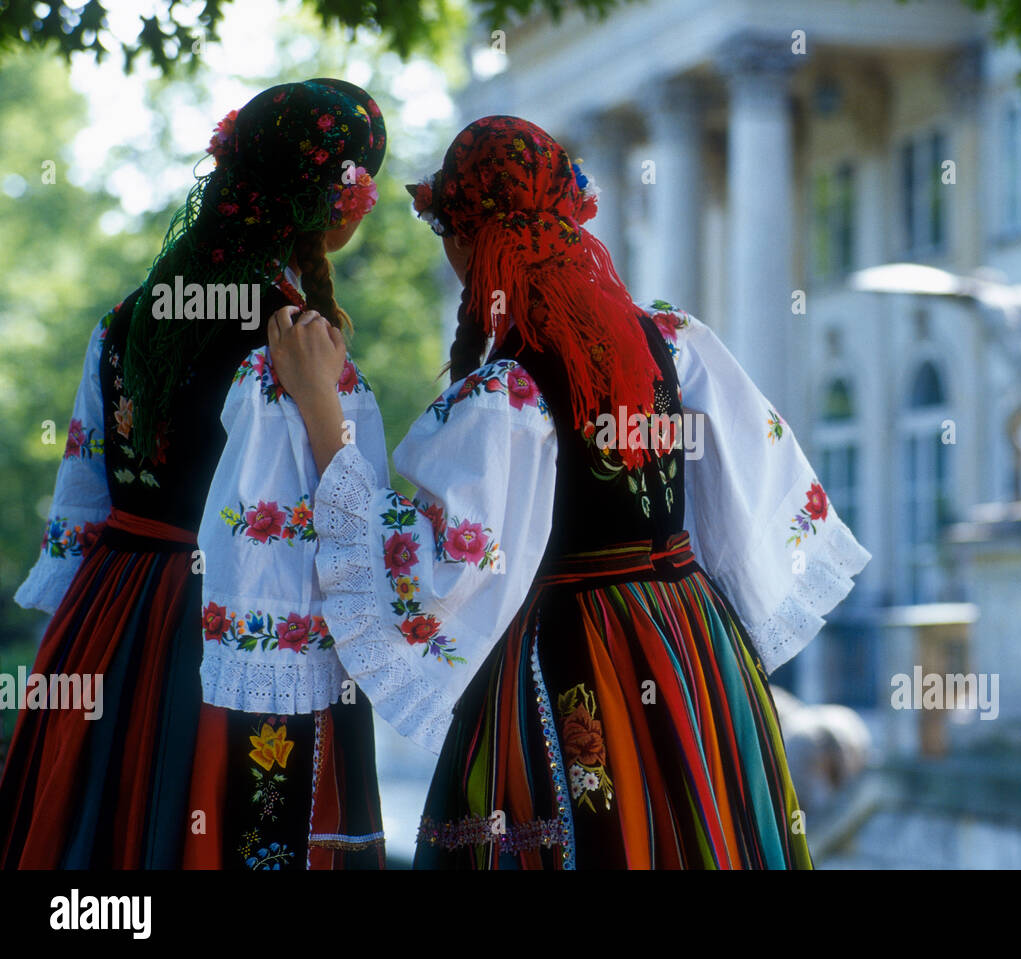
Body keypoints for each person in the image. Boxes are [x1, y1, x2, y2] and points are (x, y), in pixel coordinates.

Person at [269, 114, 871, 869]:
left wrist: (323, 410)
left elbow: (426, 573)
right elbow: (747, 513)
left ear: (471, 240)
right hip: (697, 653)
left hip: (571, 658)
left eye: (448, 232)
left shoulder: (510, 394)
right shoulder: (676, 343)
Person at [1, 79, 390, 869]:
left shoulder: (128, 317)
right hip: (226, 628)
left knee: (102, 833)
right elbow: (346, 533)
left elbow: (84, 496)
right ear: (338, 206)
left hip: (109, 613)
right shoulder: (295, 343)